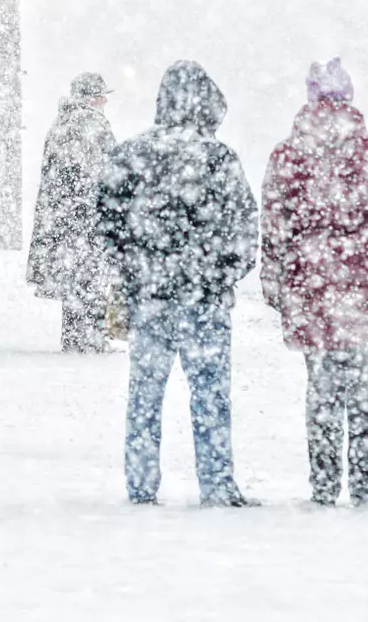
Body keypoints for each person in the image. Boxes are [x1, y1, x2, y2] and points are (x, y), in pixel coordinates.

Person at [260, 57, 368, 509]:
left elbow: (274, 226)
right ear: (349, 99)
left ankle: (323, 487)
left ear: (310, 98)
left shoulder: (287, 155)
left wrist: (275, 282)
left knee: (322, 391)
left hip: (313, 291)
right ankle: (364, 486)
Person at [97, 60, 259, 507]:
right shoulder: (218, 158)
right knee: (210, 397)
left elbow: (106, 223)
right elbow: (245, 229)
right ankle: (218, 484)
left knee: (145, 394)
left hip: (150, 298)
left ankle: (141, 483)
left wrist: (134, 270)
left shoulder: (130, 154)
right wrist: (219, 274)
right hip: (204, 301)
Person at [27, 72, 117, 353]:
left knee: (73, 275)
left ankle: (73, 336)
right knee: (93, 275)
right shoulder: (93, 123)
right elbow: (110, 170)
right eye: (102, 96)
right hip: (88, 213)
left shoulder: (61, 122)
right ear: (93, 98)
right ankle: (93, 338)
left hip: (61, 215)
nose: (104, 101)